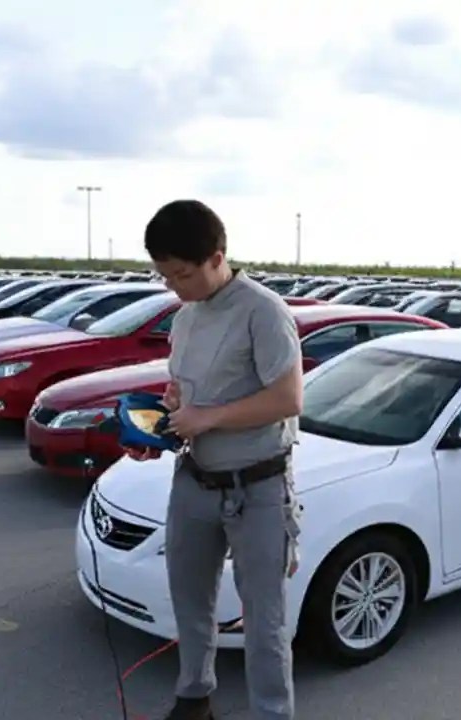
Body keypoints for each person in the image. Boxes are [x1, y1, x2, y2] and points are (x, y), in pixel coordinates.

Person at [126, 199, 304, 720]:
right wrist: (166, 420)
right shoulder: (184, 319)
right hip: (195, 480)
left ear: (217, 257)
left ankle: (271, 712)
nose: (174, 286)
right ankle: (194, 696)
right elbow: (183, 392)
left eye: (181, 274)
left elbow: (289, 399)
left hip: (258, 489)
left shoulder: (263, 311)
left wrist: (207, 417)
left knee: (264, 620)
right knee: (190, 601)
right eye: (164, 276)